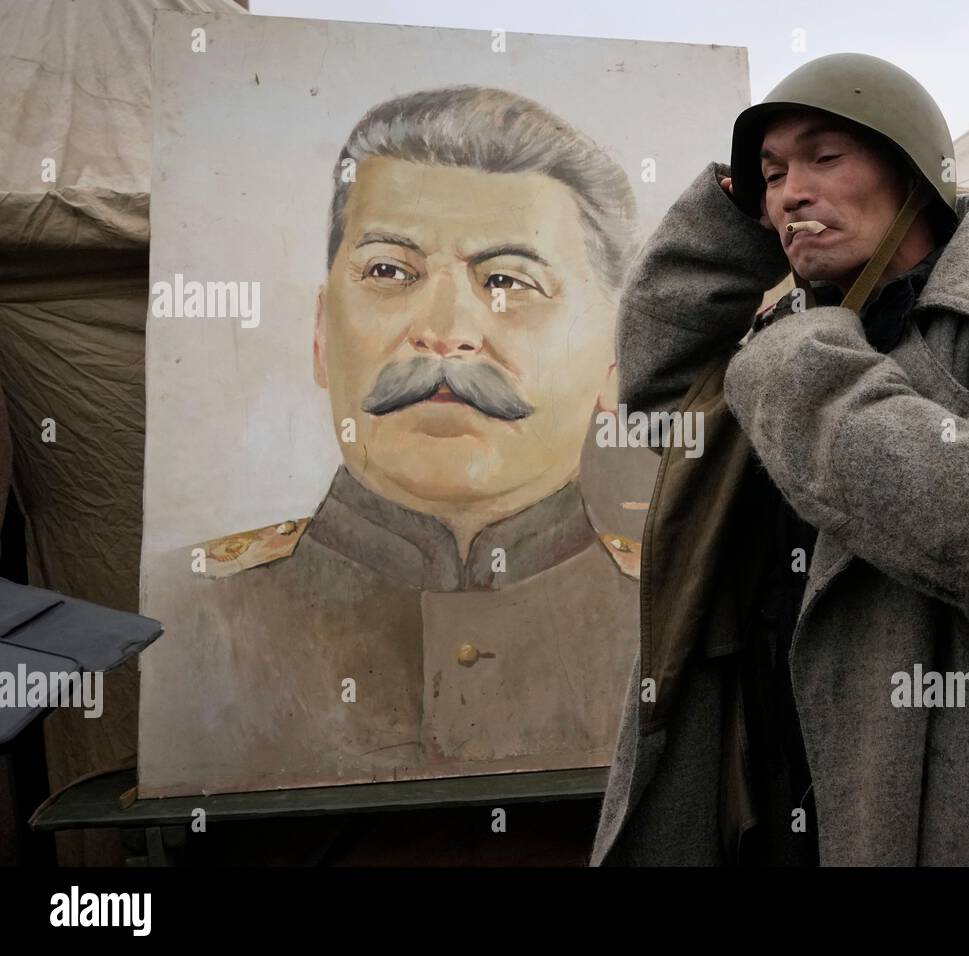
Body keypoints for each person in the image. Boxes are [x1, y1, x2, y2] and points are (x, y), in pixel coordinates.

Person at [592, 53, 969, 866]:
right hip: (769, 801)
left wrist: (806, 373)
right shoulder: (805, 333)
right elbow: (661, 390)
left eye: (825, 157)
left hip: (965, 824)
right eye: (770, 173)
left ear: (911, 175)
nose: (791, 189)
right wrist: (729, 216)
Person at [139, 86, 642, 800]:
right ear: (321, 333)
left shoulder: (675, 619)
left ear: (614, 360)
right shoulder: (187, 614)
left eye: (507, 281)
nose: (443, 329)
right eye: (388, 271)